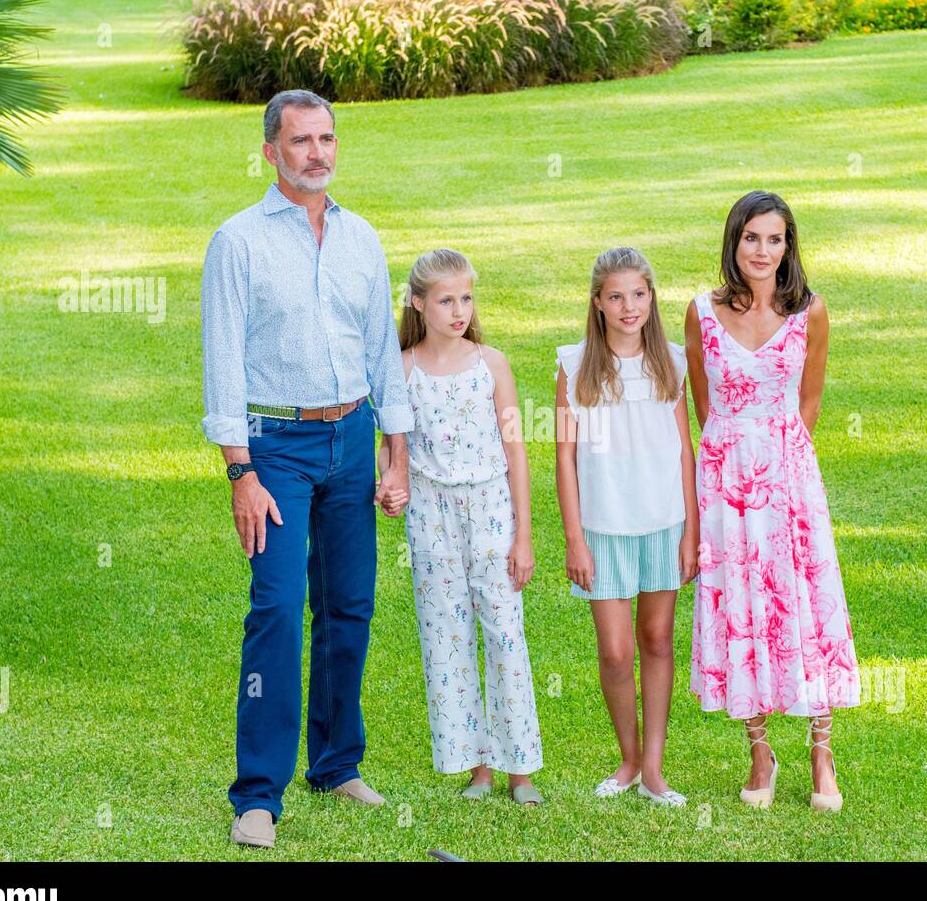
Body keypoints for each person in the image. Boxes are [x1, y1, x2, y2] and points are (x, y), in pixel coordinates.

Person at [200, 89, 412, 849]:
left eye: (326, 138)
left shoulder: (361, 238)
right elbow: (223, 363)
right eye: (300, 141)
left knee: (350, 606)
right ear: (270, 152)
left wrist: (397, 451)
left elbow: (382, 351)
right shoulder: (238, 241)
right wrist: (240, 473)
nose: (317, 152)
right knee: (278, 609)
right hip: (276, 451)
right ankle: (258, 793)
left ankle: (335, 762)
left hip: (352, 438)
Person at [684, 190, 861, 812]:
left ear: (789, 246)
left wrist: (781, 457)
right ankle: (760, 751)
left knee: (806, 608)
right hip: (727, 481)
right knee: (742, 608)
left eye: (775, 239)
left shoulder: (811, 311)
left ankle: (821, 750)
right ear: (734, 242)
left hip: (789, 478)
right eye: (751, 238)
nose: (763, 251)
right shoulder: (700, 313)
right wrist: (734, 455)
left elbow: (809, 401)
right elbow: (704, 401)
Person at [387, 248, 544, 805]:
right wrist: (390, 484)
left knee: (504, 633)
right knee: (446, 638)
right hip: (431, 517)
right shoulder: (402, 369)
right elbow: (394, 452)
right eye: (446, 299)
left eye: (466, 298)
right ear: (418, 303)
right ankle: (476, 764)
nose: (459, 310)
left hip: (491, 511)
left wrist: (522, 534)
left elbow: (515, 449)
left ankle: (519, 768)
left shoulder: (491, 364)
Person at [555, 246, 699, 807]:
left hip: (663, 520)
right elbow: (564, 459)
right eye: (615, 296)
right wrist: (574, 538)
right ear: (597, 303)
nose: (628, 306)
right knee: (616, 651)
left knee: (658, 638)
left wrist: (689, 530)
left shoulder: (672, 361)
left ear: (651, 297)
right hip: (602, 526)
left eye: (638, 294)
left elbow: (685, 451)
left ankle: (655, 770)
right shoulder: (574, 365)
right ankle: (629, 759)